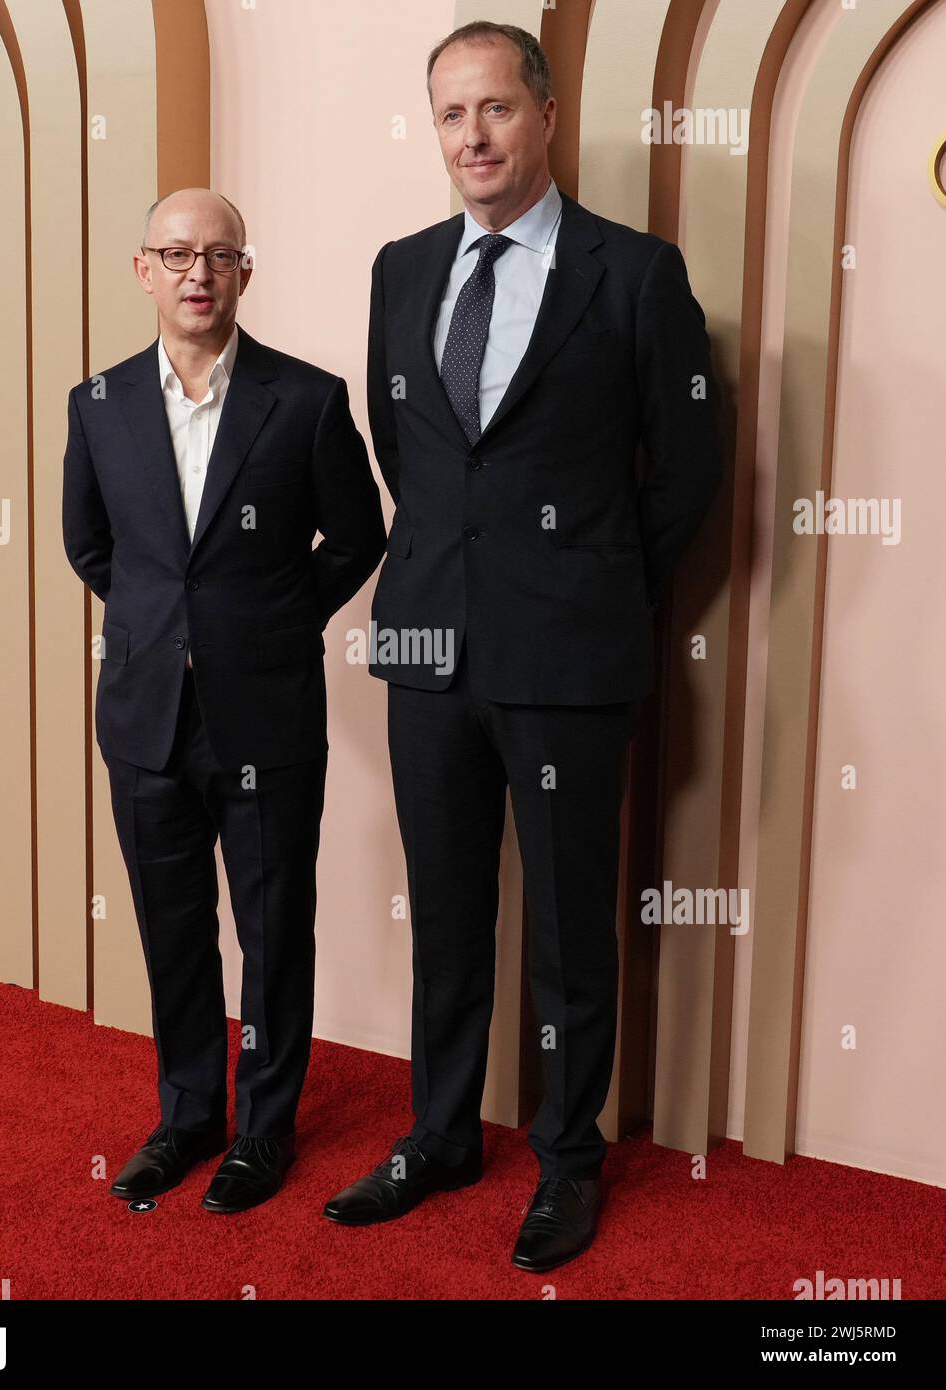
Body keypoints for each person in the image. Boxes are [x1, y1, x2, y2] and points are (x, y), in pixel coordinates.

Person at [323, 22, 723, 1272]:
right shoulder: (399, 268)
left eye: (494, 110)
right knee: (444, 916)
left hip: (566, 658)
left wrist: (588, 577)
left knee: (564, 929)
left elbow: (688, 467)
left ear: (544, 116)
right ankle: (439, 1134)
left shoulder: (635, 274)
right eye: (450, 116)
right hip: (428, 643)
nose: (473, 137)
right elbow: (419, 463)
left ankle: (565, 1159)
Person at [62, 187, 385, 1215]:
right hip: (146, 715)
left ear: (245, 273)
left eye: (218, 255)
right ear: (143, 269)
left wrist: (277, 620)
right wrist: (171, 630)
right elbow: (90, 544)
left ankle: (263, 1130)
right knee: (171, 925)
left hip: (267, 712)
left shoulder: (307, 399)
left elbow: (358, 537)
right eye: (176, 253)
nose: (197, 272)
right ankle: (187, 1113)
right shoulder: (98, 403)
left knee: (273, 924)